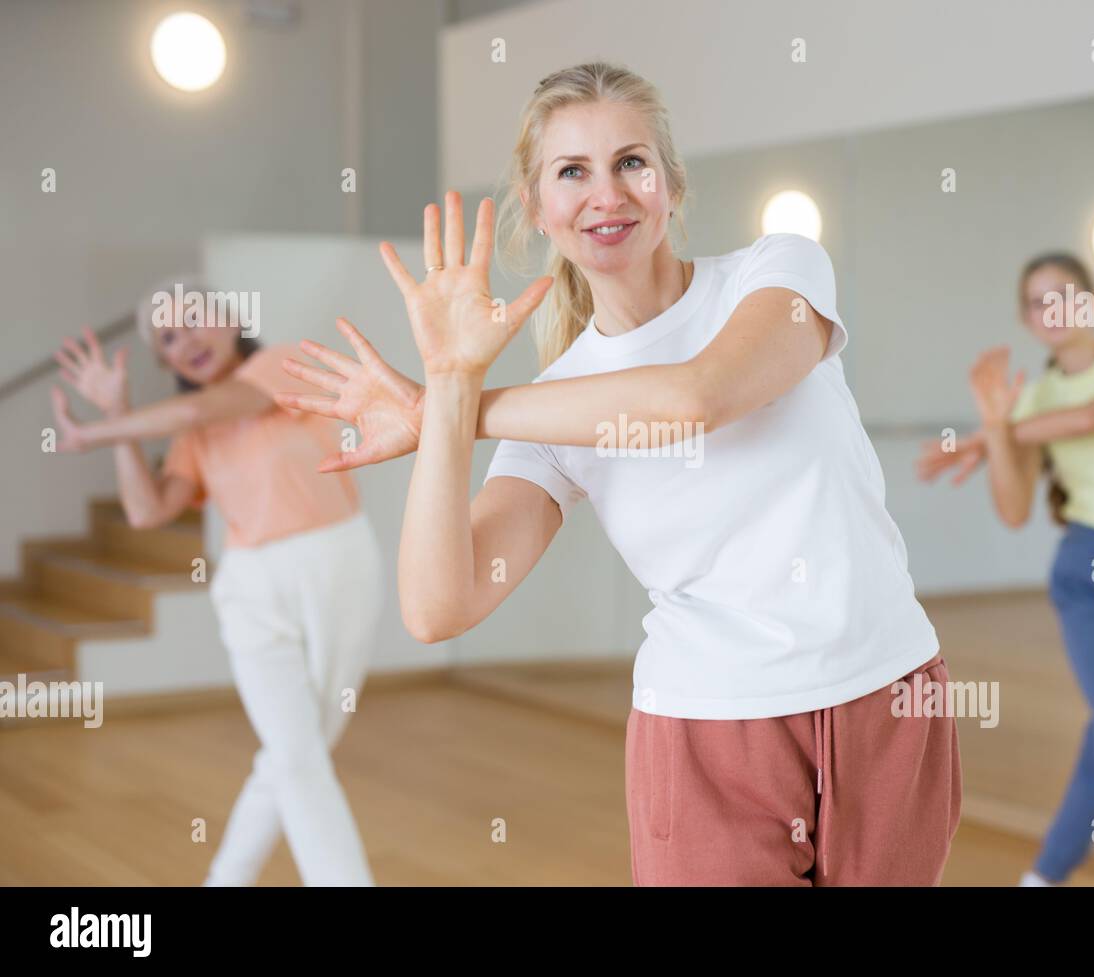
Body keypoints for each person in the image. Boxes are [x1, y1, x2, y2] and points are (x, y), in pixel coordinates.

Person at [280, 61, 960, 885]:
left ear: (670, 182)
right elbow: (438, 605)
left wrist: (446, 410)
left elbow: (696, 397)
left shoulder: (777, 272)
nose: (607, 194)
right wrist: (451, 390)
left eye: (630, 162)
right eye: (572, 172)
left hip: (888, 698)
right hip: (708, 731)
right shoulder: (554, 407)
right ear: (538, 207)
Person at [49, 280, 382, 886]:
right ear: (165, 361)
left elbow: (196, 408)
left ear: (230, 318)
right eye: (168, 338)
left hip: (334, 563)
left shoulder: (275, 364)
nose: (187, 340)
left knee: (293, 756)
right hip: (249, 589)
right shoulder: (190, 431)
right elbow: (149, 511)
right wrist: (118, 419)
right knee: (295, 754)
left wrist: (94, 433)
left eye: (194, 319)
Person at [917, 252, 1094, 886]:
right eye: (1036, 301)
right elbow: (1015, 510)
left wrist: (989, 433)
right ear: (1026, 319)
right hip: (1088, 578)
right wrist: (996, 430)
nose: (1051, 310)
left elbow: (1092, 416)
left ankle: (1043, 876)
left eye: (1063, 295)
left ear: (1093, 301)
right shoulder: (1032, 402)